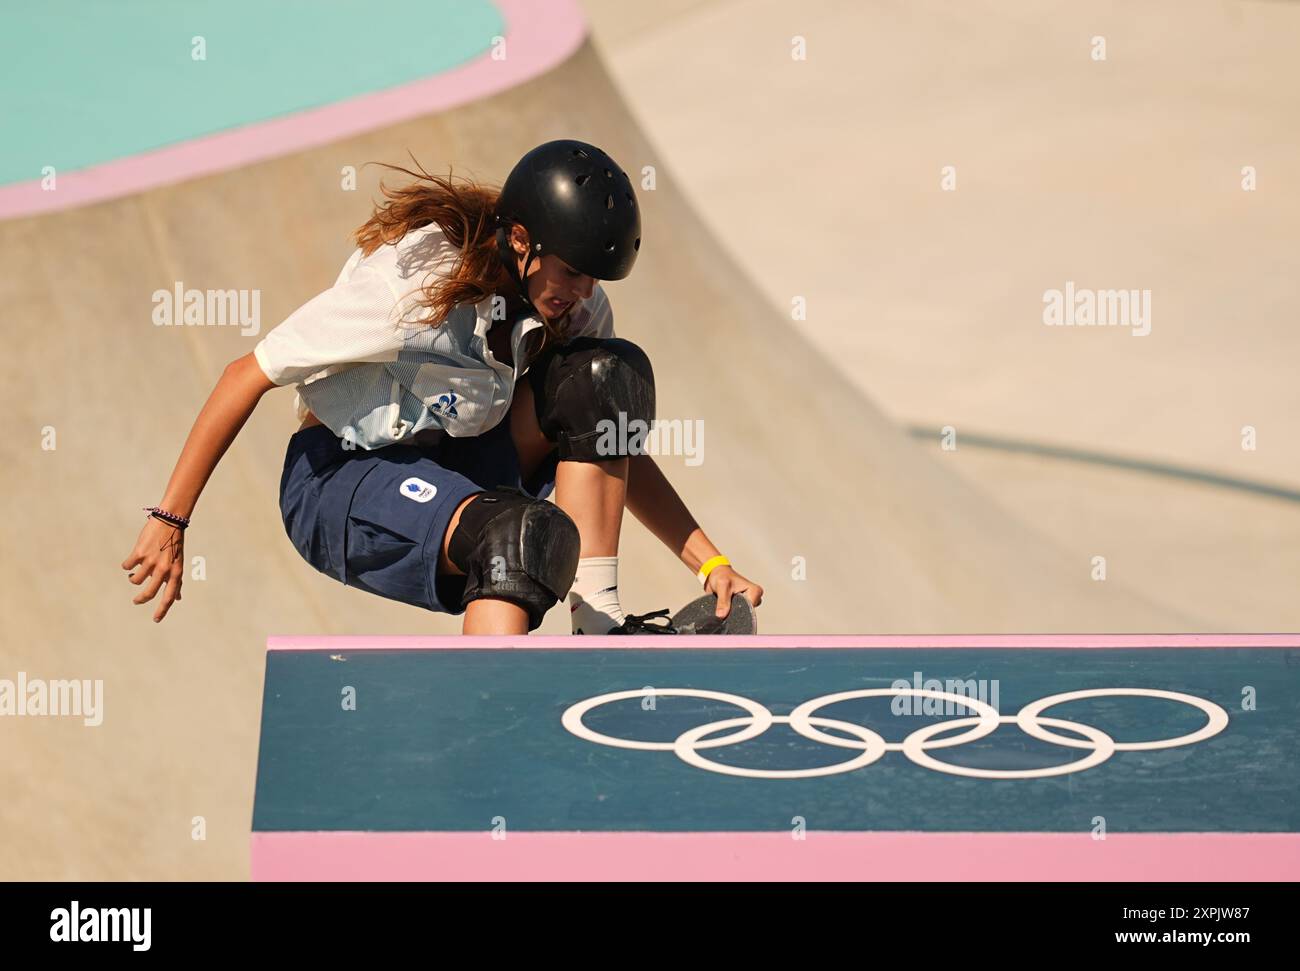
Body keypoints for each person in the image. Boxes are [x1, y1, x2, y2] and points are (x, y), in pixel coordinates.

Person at [122, 139, 764, 634]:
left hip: (463, 458)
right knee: (514, 535)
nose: (582, 295)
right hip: (341, 480)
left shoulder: (570, 307)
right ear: (521, 241)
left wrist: (708, 562)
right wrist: (170, 518)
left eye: (595, 279)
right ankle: (488, 720)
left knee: (603, 377)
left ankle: (595, 623)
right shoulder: (411, 286)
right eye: (571, 273)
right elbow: (245, 375)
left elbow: (605, 442)